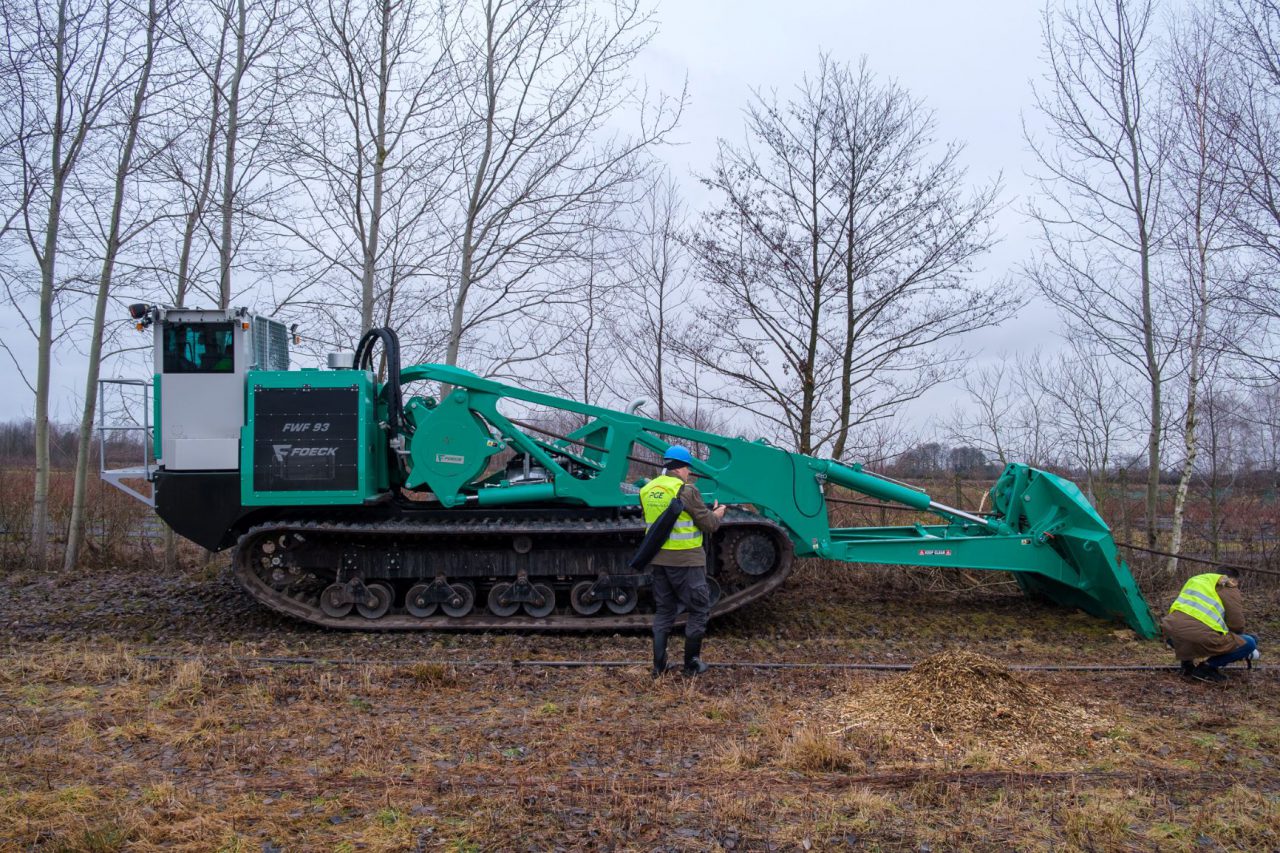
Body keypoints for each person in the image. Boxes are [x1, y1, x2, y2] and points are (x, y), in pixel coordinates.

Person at [641, 445, 726, 678]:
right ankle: (691, 664)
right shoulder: (686, 490)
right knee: (699, 609)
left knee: (664, 611)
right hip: (687, 561)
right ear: (680, 468)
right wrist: (717, 514)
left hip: (659, 561)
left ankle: (659, 667)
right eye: (688, 468)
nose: (689, 473)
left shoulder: (647, 489)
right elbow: (709, 524)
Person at [1160, 570, 1259, 683]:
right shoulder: (1228, 586)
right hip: (1195, 636)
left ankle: (1187, 665)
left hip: (1170, 632)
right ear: (1233, 580)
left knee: (1189, 628)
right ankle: (1206, 668)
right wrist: (1237, 643)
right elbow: (1237, 625)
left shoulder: (1196, 580)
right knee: (1250, 642)